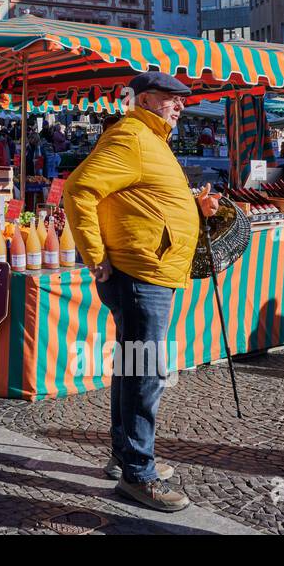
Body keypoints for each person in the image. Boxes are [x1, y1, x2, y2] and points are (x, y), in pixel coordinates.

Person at [63, 70, 220, 513]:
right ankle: (138, 472)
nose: (181, 106)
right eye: (174, 99)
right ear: (148, 100)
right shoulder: (132, 136)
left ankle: (125, 456)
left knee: (134, 367)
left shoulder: (150, 138)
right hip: (140, 275)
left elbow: (143, 198)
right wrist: (95, 256)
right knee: (144, 372)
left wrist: (193, 207)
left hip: (150, 270)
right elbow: (79, 189)